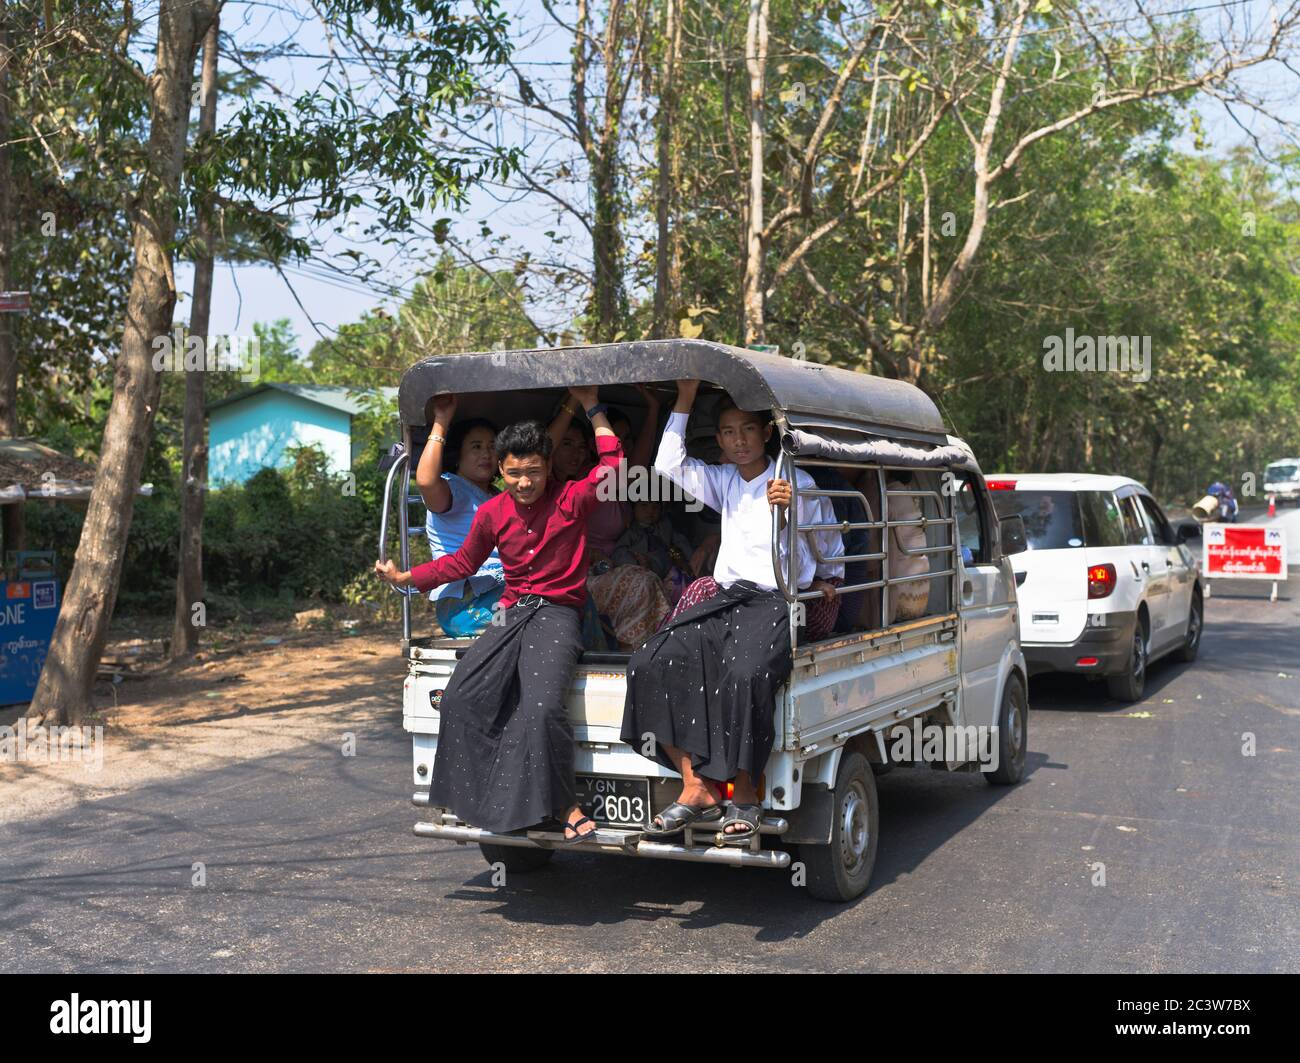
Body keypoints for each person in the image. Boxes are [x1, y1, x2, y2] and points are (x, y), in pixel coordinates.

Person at [374, 387, 622, 843]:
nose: (524, 483)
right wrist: (408, 577)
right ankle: (481, 801)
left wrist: (593, 407)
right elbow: (461, 565)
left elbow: (613, 467)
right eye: (513, 473)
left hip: (557, 614)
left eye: (533, 472)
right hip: (509, 613)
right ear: (502, 471)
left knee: (543, 709)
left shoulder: (571, 499)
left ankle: (565, 805)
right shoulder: (491, 511)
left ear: (548, 468)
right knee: (461, 697)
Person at [620, 379, 842, 843]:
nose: (738, 440)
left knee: (745, 674)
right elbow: (668, 464)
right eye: (727, 431)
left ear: (765, 434)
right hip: (725, 599)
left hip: (775, 600)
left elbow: (830, 550)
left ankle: (745, 793)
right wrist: (683, 397)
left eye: (746, 430)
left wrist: (796, 509)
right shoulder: (723, 482)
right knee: (649, 662)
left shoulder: (797, 482)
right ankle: (695, 785)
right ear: (719, 440)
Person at [550, 386, 673, 650]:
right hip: (580, 578)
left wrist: (652, 410)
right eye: (567, 445)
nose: (576, 452)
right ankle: (629, 654)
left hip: (613, 568)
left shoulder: (600, 482)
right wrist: (577, 399)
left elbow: (634, 465)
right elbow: (542, 451)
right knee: (644, 583)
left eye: (581, 446)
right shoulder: (554, 487)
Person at [413, 394, 503, 638]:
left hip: (500, 593)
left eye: (492, 447)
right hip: (466, 604)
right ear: (458, 454)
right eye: (476, 447)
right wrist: (442, 419)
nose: (486, 454)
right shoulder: (453, 488)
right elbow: (425, 481)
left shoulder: (498, 495)